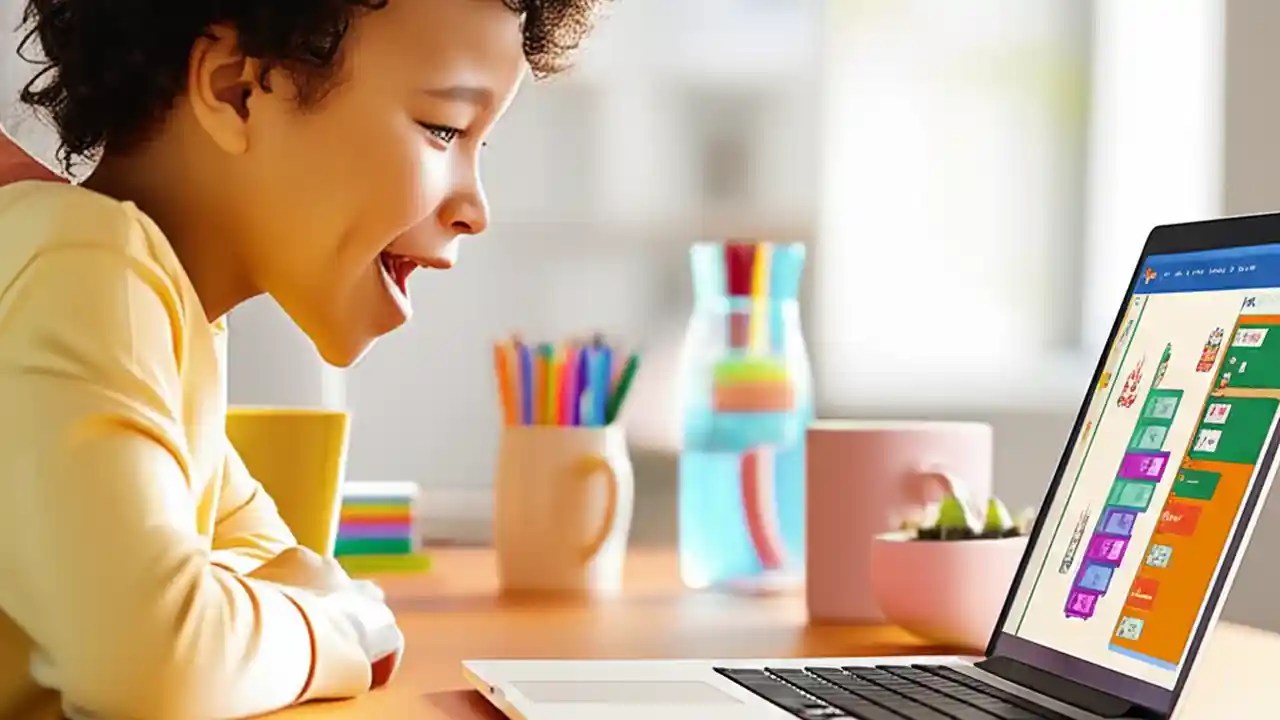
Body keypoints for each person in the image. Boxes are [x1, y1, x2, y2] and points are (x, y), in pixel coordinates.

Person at [0, 1, 605, 718]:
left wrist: (290, 617)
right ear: (237, 90)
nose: (475, 208)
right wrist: (329, 634)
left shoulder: (164, 317)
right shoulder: (86, 268)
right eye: (442, 127)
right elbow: (159, 662)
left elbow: (292, 577)